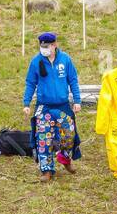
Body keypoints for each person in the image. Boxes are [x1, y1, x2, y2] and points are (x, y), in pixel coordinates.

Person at [23, 32, 82, 182]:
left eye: (47, 46)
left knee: (69, 135)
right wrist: (26, 103)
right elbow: (30, 83)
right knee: (43, 138)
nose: (44, 49)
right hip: (44, 106)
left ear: (54, 45)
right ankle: (47, 170)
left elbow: (73, 80)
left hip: (62, 106)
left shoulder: (66, 60)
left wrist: (77, 100)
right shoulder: (36, 62)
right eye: (42, 46)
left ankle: (65, 159)